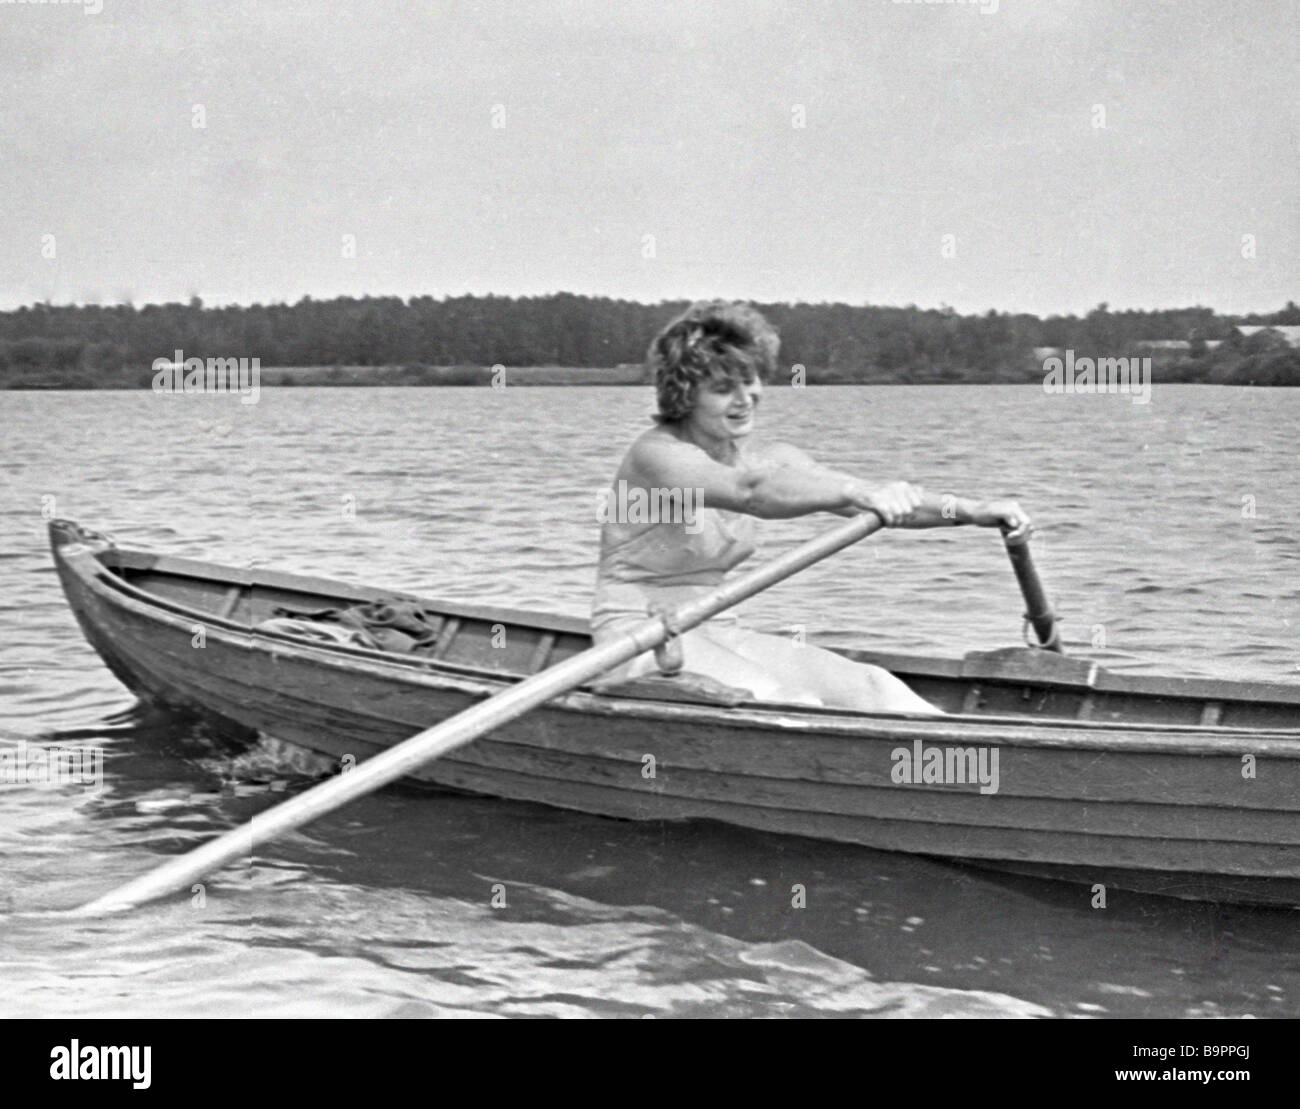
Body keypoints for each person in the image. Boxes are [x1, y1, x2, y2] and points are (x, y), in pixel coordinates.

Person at [591, 300, 1032, 712]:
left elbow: (881, 503)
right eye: (724, 388)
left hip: (718, 627)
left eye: (750, 380)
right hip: (638, 637)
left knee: (876, 688)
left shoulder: (771, 460)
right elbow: (750, 493)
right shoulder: (657, 457)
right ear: (685, 395)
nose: (745, 398)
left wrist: (972, 511)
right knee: (788, 702)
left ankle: (972, 768)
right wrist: (856, 492)